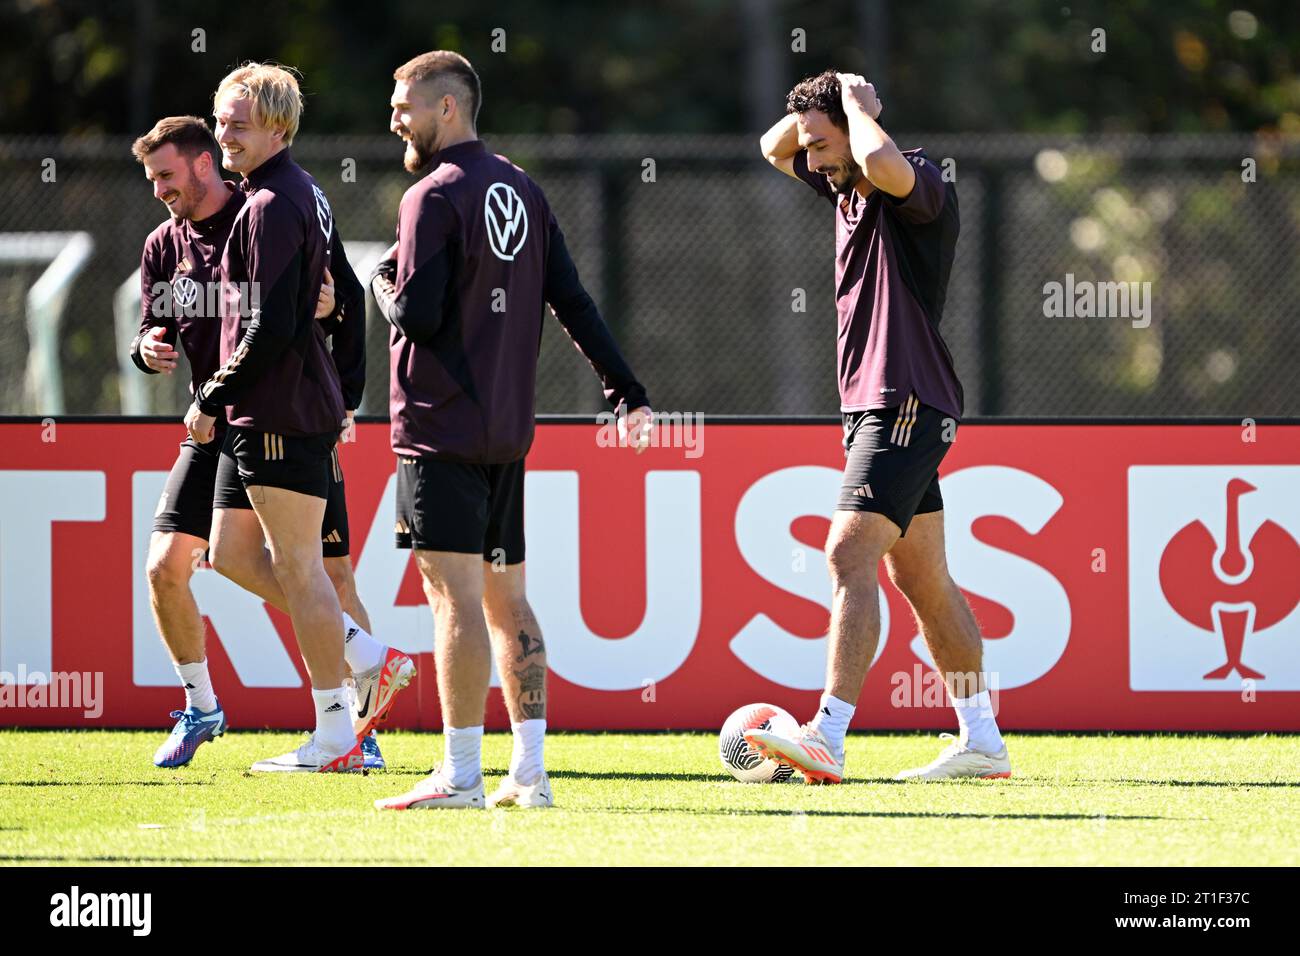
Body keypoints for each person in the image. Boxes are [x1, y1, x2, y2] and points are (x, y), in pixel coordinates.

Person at [370, 51, 653, 810]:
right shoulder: (523, 188)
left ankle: (460, 773)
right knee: (506, 599)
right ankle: (530, 772)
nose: (394, 116)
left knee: (452, 599)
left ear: (448, 109)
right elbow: (573, 298)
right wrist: (626, 389)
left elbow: (420, 315)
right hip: (504, 433)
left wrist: (381, 282)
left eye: (405, 105)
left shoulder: (431, 195)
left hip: (439, 429)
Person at [744, 71, 1011, 782]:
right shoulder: (844, 185)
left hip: (906, 401)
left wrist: (858, 109)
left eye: (825, 145)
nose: (814, 159)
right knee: (923, 579)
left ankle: (828, 732)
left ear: (858, 129)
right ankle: (982, 739)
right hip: (876, 404)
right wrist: (813, 104)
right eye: (814, 146)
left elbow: (885, 163)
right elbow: (771, 149)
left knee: (845, 555)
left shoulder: (912, 179)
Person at [130, 115, 395, 770]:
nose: (159, 189)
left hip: (278, 412)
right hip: (215, 417)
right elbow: (151, 328)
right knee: (170, 565)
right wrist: (146, 349)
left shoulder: (266, 210)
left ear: (199, 165)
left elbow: (342, 298)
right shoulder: (164, 247)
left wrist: (348, 389)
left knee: (326, 571)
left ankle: (363, 728)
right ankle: (203, 705)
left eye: (165, 175)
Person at [186, 63, 412, 772]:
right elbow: (335, 295)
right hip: (267, 410)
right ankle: (364, 655)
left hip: (278, 411)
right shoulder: (294, 191)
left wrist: (211, 395)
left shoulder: (272, 203)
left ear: (277, 126)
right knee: (226, 554)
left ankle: (338, 736)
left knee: (304, 569)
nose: (223, 134)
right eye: (220, 120)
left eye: (238, 123)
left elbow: (276, 326)